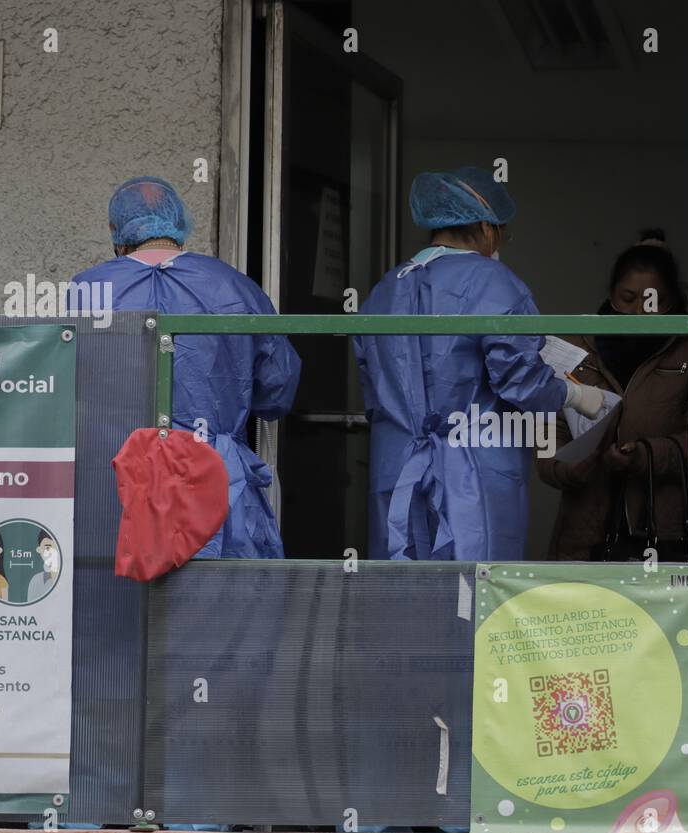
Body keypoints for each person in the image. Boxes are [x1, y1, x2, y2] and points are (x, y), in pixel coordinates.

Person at [354, 167, 602, 561]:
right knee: (475, 599)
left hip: (398, 466)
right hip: (472, 472)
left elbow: (373, 394)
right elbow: (520, 381)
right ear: (488, 228)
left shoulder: (386, 288)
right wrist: (573, 393)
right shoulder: (493, 282)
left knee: (403, 595)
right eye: (504, 232)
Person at [71, 176, 301, 558]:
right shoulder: (232, 286)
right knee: (214, 606)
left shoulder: (86, 289)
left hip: (117, 479)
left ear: (117, 231)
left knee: (119, 605)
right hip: (213, 477)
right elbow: (277, 387)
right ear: (179, 222)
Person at [536, 231, 688, 561]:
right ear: (611, 295)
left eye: (654, 301)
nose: (639, 311)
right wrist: (572, 467)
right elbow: (548, 441)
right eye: (628, 297)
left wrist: (646, 455)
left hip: (660, 532)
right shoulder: (577, 348)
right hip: (585, 532)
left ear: (674, 300)